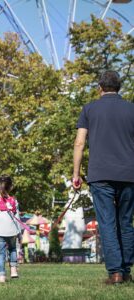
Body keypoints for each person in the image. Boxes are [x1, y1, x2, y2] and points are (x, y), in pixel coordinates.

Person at [73, 71, 134, 285]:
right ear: (119, 87)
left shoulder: (89, 109)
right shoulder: (131, 108)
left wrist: (76, 173)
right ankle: (126, 270)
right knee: (126, 222)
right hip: (129, 174)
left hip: (100, 175)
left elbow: (80, 143)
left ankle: (115, 272)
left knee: (107, 223)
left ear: (100, 87)